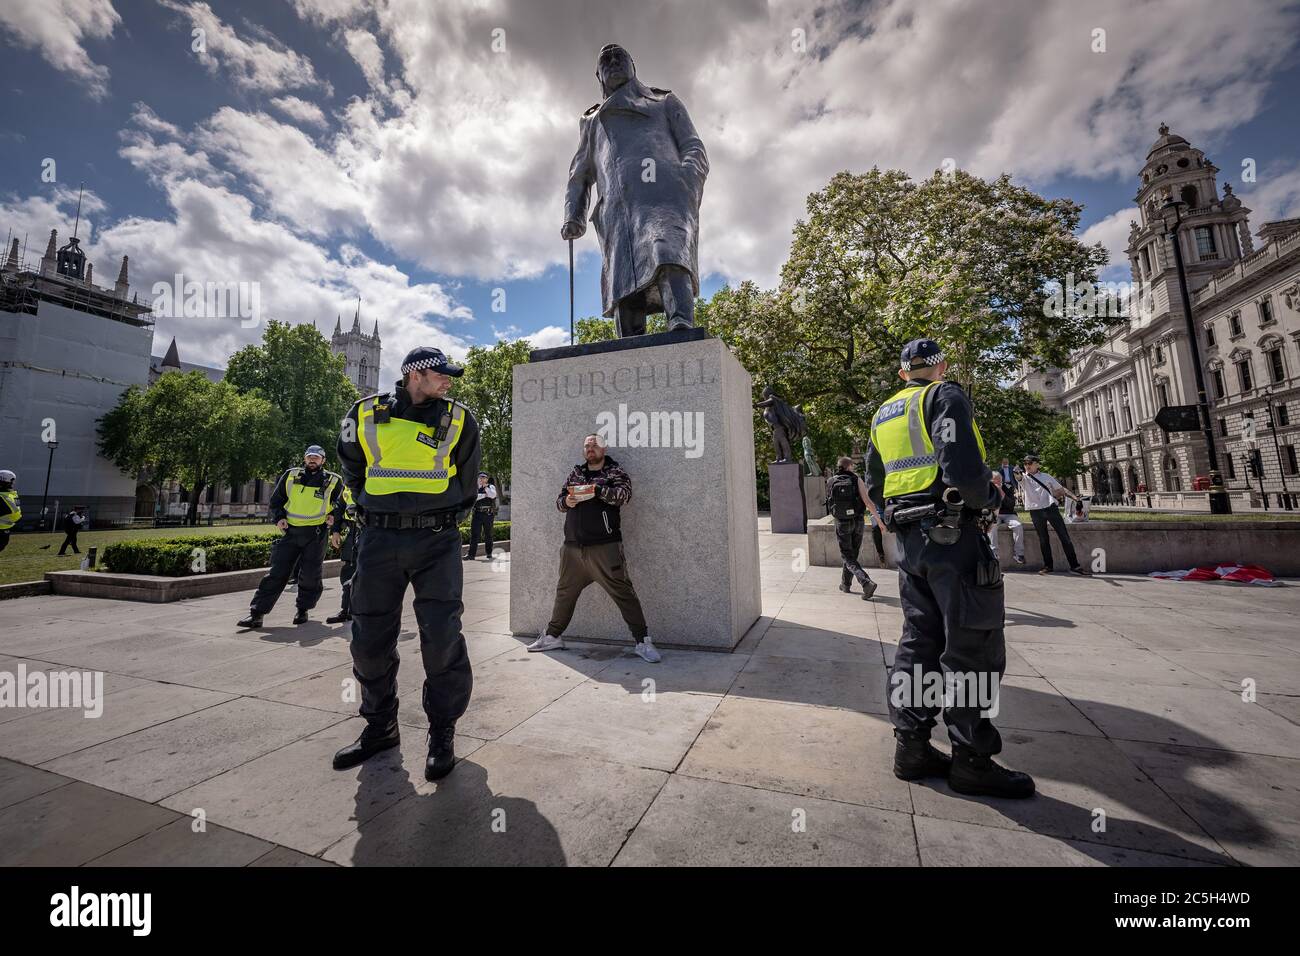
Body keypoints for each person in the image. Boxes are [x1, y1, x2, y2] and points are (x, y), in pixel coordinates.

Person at [866, 338, 1034, 799]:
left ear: (902, 373)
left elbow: (875, 483)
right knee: (972, 646)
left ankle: (912, 748)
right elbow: (960, 466)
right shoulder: (945, 395)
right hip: (954, 535)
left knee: (919, 641)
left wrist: (900, 522)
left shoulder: (884, 413)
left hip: (911, 543)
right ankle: (972, 759)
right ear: (941, 365)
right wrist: (993, 498)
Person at [332, 346, 481, 782]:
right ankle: (380, 727)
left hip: (437, 540)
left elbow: (468, 479)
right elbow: (352, 468)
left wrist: (444, 518)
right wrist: (372, 507)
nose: (448, 381)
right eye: (441, 375)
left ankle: (442, 732)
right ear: (414, 375)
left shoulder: (459, 419)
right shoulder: (364, 413)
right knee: (368, 637)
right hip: (378, 539)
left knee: (441, 637)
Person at [562, 44, 708, 336]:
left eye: (620, 57)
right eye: (607, 60)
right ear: (598, 75)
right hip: (617, 208)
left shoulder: (663, 101)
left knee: (667, 250)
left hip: (665, 197)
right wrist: (573, 214)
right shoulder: (591, 121)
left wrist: (685, 181)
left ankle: (680, 323)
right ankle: (628, 343)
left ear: (633, 66)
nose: (614, 62)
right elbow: (579, 174)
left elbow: (694, 147)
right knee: (623, 277)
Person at [527, 434, 661, 663]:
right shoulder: (575, 473)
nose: (590, 448)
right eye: (587, 445)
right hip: (572, 549)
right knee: (564, 593)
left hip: (605, 548)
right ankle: (552, 637)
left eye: (595, 445)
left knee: (624, 594)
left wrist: (596, 490)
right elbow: (560, 501)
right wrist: (567, 502)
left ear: (604, 449)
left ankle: (642, 642)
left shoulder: (615, 472)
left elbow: (624, 496)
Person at [238, 446, 344, 628]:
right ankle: (256, 613)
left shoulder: (334, 480)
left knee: (311, 575)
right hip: (291, 533)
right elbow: (276, 501)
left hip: (316, 534)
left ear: (323, 461)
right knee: (277, 573)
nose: (313, 460)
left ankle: (303, 610)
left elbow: (340, 504)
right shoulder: (290, 475)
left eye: (316, 458)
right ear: (304, 458)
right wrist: (279, 518)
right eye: (310, 457)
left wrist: (334, 518)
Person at [1021, 455, 1091, 576]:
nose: (1027, 465)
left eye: (1030, 463)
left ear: (1037, 464)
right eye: (1025, 463)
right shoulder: (1023, 478)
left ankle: (1075, 566)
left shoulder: (1046, 476)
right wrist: (1015, 471)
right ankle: (1048, 566)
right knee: (1043, 539)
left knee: (1064, 537)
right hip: (1035, 511)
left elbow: (1061, 490)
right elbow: (1017, 477)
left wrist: (1076, 499)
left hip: (1051, 509)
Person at [825, 456, 879, 600]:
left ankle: (866, 582)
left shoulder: (831, 481)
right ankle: (845, 584)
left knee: (847, 556)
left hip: (842, 522)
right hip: (858, 520)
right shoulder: (856, 479)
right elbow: (867, 501)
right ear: (849, 466)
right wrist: (879, 520)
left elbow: (830, 503)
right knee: (851, 555)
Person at [326, 485, 358, 625]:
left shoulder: (377, 474)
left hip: (373, 530)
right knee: (348, 571)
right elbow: (339, 507)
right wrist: (336, 531)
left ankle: (366, 611)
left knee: (373, 573)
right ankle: (346, 610)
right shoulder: (349, 483)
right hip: (353, 530)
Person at [988, 471, 1025, 564]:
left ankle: (1019, 554)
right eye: (994, 482)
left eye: (998, 482)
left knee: (1017, 525)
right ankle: (994, 553)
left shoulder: (1008, 487)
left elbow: (1011, 504)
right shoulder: (987, 488)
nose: (997, 484)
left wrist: (1001, 492)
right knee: (992, 527)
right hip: (995, 514)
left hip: (1009, 514)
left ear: (1001, 480)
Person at [465, 472, 498, 560]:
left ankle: (489, 553)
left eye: (484, 478)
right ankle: (471, 555)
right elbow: (474, 498)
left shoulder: (491, 487)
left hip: (488, 514)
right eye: (480, 478)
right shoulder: (474, 488)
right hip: (477, 514)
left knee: (488, 534)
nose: (482, 479)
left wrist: (486, 489)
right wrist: (484, 495)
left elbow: (493, 495)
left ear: (487, 479)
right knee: (474, 535)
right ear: (477, 479)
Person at [0, 470, 19, 554]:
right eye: (11, 482)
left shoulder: (5, 495)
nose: (12, 484)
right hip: (3, 528)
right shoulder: (8, 494)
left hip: (4, 528)